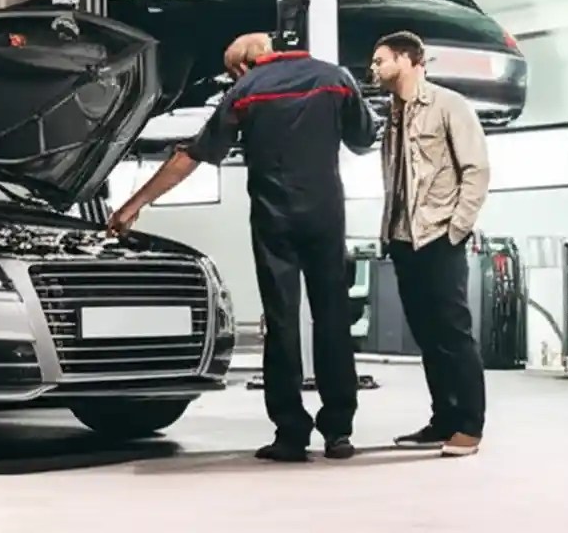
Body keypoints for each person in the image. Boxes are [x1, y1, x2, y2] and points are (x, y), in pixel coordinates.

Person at [107, 32, 378, 462]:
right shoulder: (335, 78)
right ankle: (338, 431)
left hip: (275, 223)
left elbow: (191, 156)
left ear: (243, 64)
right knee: (332, 318)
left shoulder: (245, 91)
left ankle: (290, 433)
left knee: (281, 322)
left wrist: (133, 204)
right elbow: (364, 139)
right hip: (326, 218)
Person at [368, 30, 491, 458]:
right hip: (404, 239)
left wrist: (457, 229)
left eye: (380, 60)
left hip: (439, 236)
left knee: (453, 333)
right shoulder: (393, 114)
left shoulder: (448, 105)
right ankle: (443, 420)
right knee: (427, 336)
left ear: (409, 59)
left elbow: (476, 170)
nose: (374, 68)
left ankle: (470, 426)